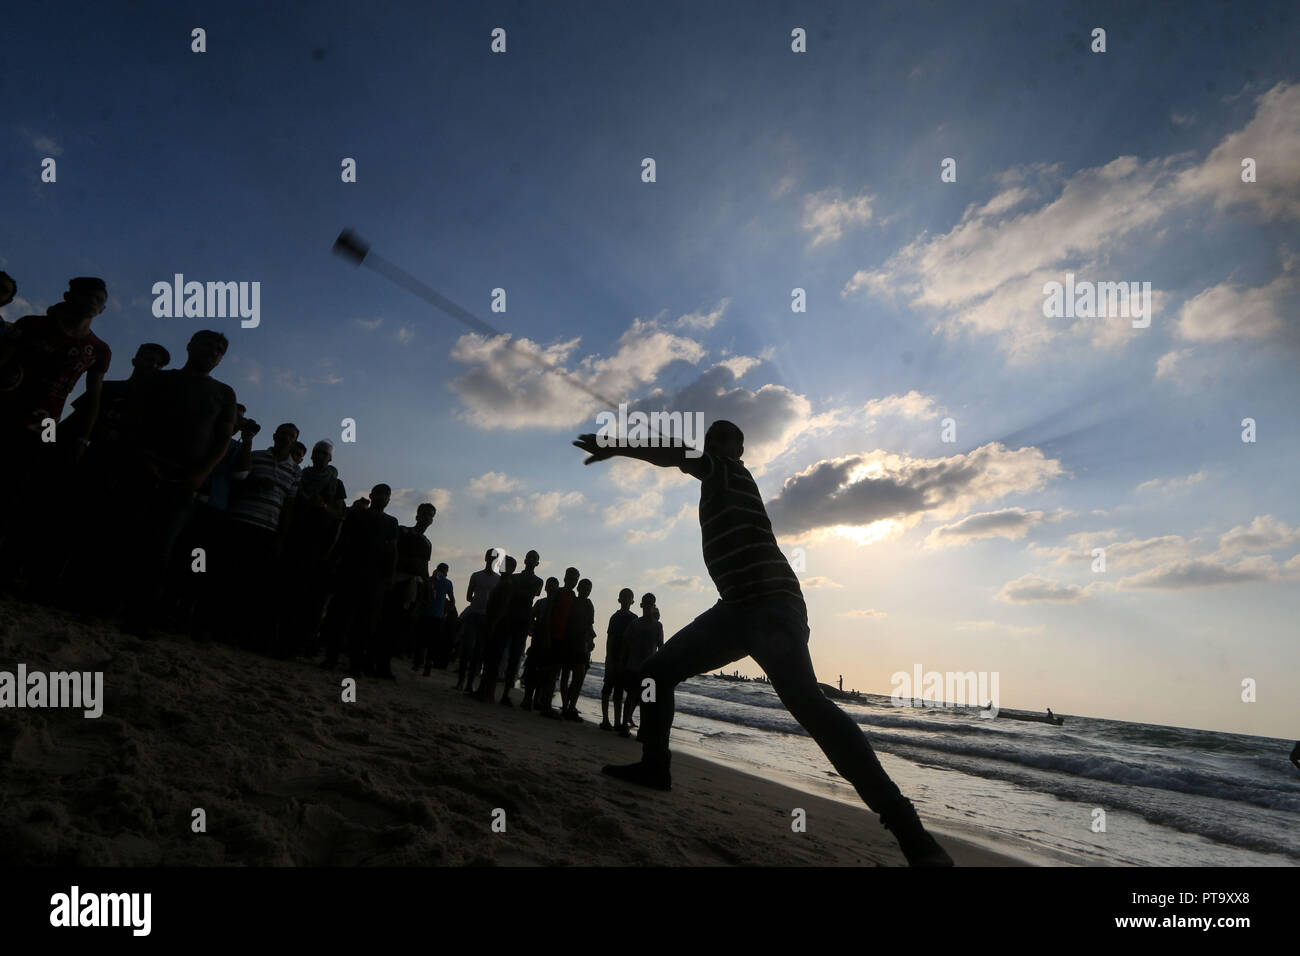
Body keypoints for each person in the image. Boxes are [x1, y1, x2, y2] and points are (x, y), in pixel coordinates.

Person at [574, 420, 953, 866]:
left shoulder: (728, 471)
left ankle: (911, 833)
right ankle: (655, 766)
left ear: (738, 450)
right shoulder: (717, 479)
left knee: (808, 704)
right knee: (657, 672)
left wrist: (617, 446)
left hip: (771, 605)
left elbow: (675, 452)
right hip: (734, 608)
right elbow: (681, 454)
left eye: (723, 437)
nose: (713, 441)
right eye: (711, 435)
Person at [113, 330, 238, 629]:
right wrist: (142, 459)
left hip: (184, 481)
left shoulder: (224, 393)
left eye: (219, 348)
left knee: (163, 546)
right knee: (122, 533)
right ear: (190, 345)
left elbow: (222, 441)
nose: (212, 350)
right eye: (207, 343)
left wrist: (201, 473)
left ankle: (141, 614)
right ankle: (104, 600)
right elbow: (134, 422)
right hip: (142, 468)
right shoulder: (159, 380)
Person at [225, 422, 301, 651]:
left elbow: (289, 506)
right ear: (275, 435)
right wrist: (254, 481)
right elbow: (237, 478)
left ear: (294, 441)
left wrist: (281, 536)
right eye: (284, 434)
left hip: (267, 529)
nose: (286, 438)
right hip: (240, 519)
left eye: (291, 436)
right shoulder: (255, 456)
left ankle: (237, 633)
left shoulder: (295, 471)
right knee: (227, 576)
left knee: (252, 584)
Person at [321, 483, 398, 673]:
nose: (382, 497)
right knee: (340, 615)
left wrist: (389, 575)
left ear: (389, 500)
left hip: (374, 576)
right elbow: (343, 538)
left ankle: (355, 662)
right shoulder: (357, 514)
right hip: (350, 570)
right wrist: (332, 560)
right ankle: (331, 657)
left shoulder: (391, 522)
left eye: (386, 495)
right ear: (371, 495)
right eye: (379, 493)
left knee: (364, 621)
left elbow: (392, 549)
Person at [282, 439, 348, 653]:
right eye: (317, 453)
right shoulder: (301, 476)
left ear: (330, 458)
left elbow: (339, 514)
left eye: (323, 454)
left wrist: (324, 507)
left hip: (319, 545)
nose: (319, 456)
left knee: (310, 596)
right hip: (295, 535)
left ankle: (301, 641)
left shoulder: (336, 484)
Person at [376, 503, 436, 678]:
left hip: (411, 586)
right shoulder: (403, 532)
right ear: (417, 516)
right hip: (395, 581)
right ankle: (373, 660)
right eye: (424, 514)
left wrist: (427, 586)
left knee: (398, 626)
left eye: (430, 516)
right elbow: (392, 553)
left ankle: (384, 664)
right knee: (384, 621)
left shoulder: (427, 543)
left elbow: (424, 566)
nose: (427, 518)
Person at [493, 550, 542, 706]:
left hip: (522, 621)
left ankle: (505, 694)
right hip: (508, 619)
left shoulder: (536, 581)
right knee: (499, 654)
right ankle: (493, 690)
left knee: (514, 659)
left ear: (537, 563)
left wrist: (514, 589)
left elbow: (529, 595)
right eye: (529, 557)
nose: (531, 560)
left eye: (534, 558)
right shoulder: (515, 578)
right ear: (525, 560)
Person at [455, 550, 500, 692]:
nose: (492, 560)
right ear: (486, 558)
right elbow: (469, 596)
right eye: (490, 557)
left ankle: (469, 682)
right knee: (467, 649)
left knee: (478, 651)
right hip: (474, 614)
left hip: (485, 617)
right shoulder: (476, 576)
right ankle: (461, 681)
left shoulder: (498, 579)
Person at [618, 596, 662, 736]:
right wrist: (621, 662)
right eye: (646, 604)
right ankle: (624, 725)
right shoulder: (634, 624)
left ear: (653, 606)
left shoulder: (658, 626)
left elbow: (660, 646)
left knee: (647, 701)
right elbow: (625, 644)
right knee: (631, 696)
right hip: (633, 666)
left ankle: (644, 730)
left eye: (651, 604)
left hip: (650, 669)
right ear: (642, 605)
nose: (648, 607)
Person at [559, 577, 597, 720]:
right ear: (579, 588)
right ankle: (565, 705)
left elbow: (589, 625)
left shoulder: (588, 604)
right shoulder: (572, 601)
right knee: (565, 675)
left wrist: (590, 641)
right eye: (584, 587)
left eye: (588, 589)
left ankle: (571, 705)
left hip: (581, 644)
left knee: (579, 677)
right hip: (568, 642)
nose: (586, 591)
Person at [600, 588, 637, 730]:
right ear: (619, 599)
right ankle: (605, 719)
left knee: (619, 691)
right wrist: (608, 658)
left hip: (627, 659)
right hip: (614, 656)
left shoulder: (634, 619)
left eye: (628, 597)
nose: (626, 600)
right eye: (624, 597)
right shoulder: (615, 617)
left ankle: (617, 722)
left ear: (632, 601)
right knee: (607, 688)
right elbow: (610, 639)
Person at [520, 576, 558, 710]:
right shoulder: (541, 603)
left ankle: (537, 700)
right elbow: (531, 617)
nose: (552, 588)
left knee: (544, 673)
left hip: (550, 642)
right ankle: (527, 699)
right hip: (537, 641)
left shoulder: (558, 606)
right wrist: (532, 629)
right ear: (546, 588)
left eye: (554, 586)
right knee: (532, 671)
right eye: (550, 586)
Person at [413, 562, 455, 674]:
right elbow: (452, 600)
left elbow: (420, 596)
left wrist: (416, 610)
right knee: (432, 642)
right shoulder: (447, 583)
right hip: (438, 616)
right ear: (445, 571)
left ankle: (417, 662)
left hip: (424, 613)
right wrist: (446, 612)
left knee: (421, 639)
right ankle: (428, 663)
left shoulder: (428, 580)